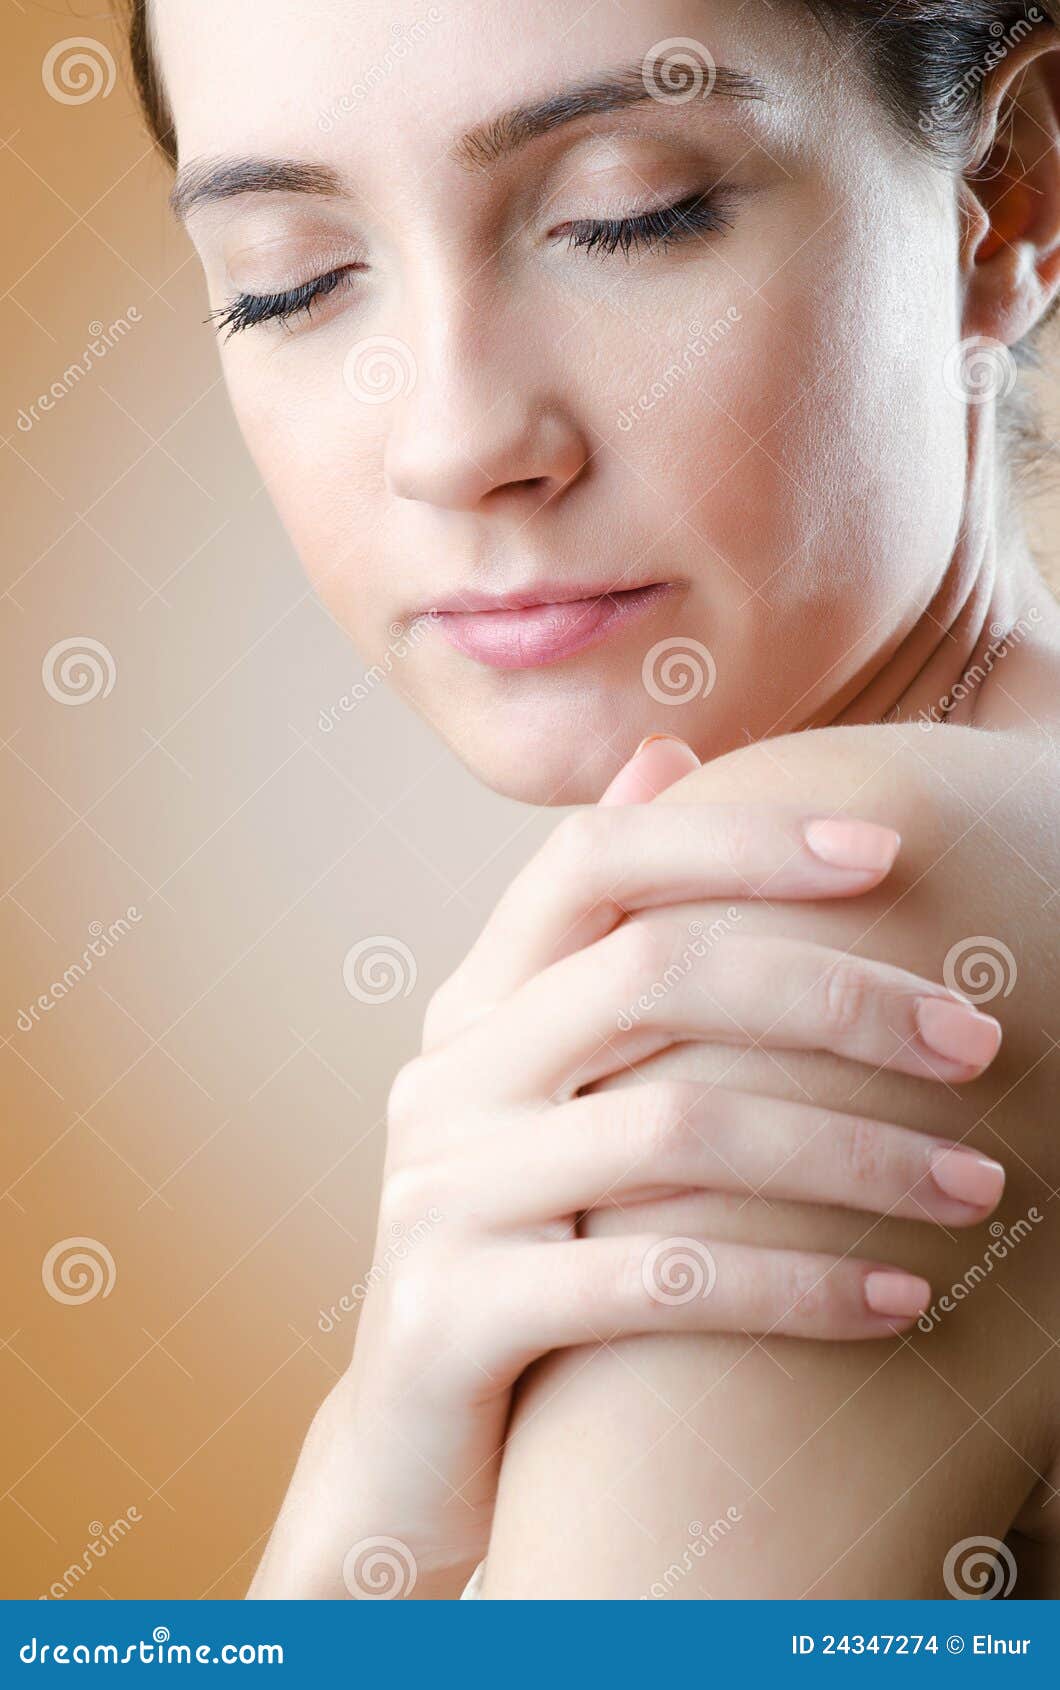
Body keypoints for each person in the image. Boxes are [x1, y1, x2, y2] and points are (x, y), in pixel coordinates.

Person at [126, 0, 1060, 1598]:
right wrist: (381, 1452)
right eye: (288, 277)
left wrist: (359, 1535)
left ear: (1007, 204)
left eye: (626, 212)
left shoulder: (843, 903)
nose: (456, 438)